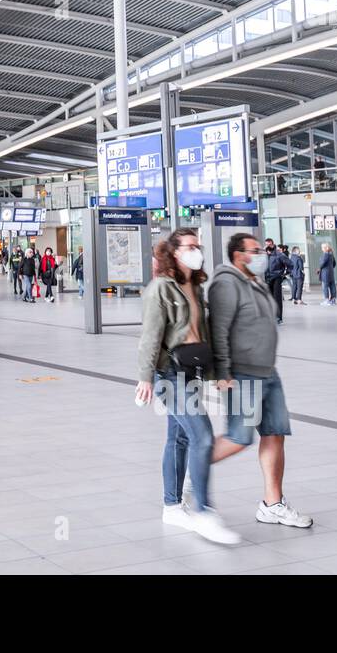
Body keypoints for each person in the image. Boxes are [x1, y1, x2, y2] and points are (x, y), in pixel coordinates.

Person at [133, 228, 239, 545]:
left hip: (191, 371)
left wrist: (218, 373)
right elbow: (150, 336)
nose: (196, 251)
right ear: (174, 251)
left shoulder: (195, 285)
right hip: (169, 375)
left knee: (177, 438)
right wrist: (145, 377)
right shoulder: (160, 288)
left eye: (198, 246)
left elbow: (202, 331)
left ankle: (171, 506)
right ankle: (204, 511)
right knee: (202, 436)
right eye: (190, 246)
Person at [208, 233, 312, 529]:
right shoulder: (225, 283)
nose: (261, 255)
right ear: (238, 255)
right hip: (242, 373)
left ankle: (272, 504)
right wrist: (223, 373)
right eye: (254, 251)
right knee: (238, 437)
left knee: (275, 433)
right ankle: (189, 472)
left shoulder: (254, 281)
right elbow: (218, 330)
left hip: (268, 371)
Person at [262, 238, 289, 324]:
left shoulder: (279, 254)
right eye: (266, 244)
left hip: (277, 277)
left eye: (269, 244)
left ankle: (278, 317)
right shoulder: (264, 255)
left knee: (277, 298)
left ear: (273, 244)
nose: (268, 246)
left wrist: (283, 274)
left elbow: (290, 264)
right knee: (269, 298)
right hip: (268, 278)